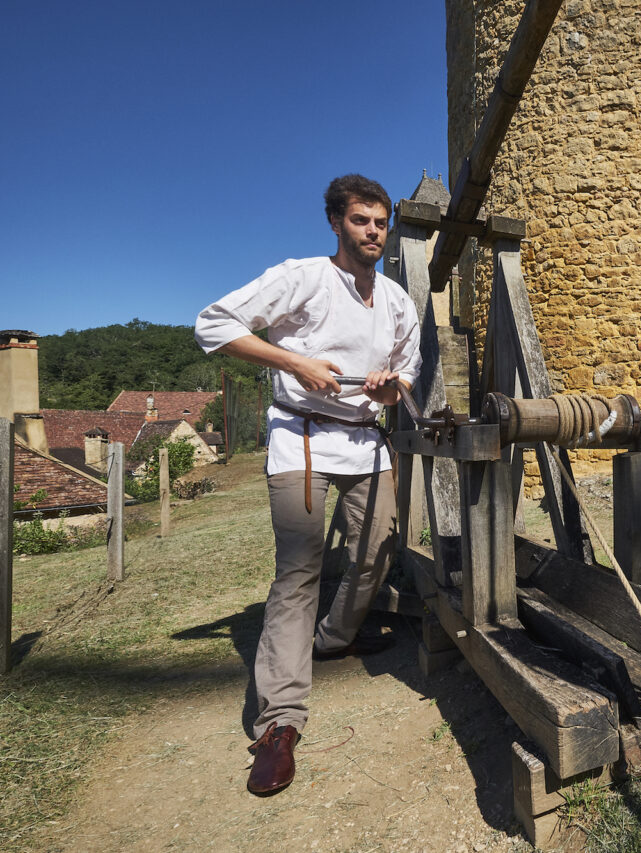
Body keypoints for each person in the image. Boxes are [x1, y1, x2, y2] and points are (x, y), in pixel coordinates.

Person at [195, 174, 422, 795]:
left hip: (364, 439)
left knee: (377, 552)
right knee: (299, 571)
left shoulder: (398, 299)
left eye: (380, 222)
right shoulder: (303, 277)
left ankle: (331, 639)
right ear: (336, 223)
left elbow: (409, 365)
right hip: (300, 436)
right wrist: (293, 361)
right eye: (360, 221)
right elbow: (214, 324)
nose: (372, 232)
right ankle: (280, 722)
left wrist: (390, 385)